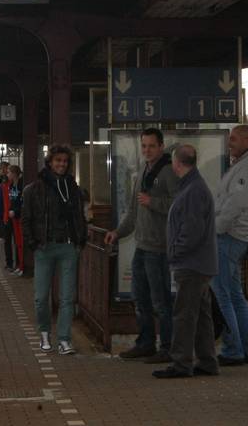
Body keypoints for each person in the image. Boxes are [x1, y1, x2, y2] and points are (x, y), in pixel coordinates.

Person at [103, 128, 180, 363]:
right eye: (144, 146)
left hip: (159, 247)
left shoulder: (167, 172)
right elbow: (134, 211)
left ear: (161, 146)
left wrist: (153, 201)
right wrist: (117, 232)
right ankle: (146, 343)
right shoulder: (143, 172)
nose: (147, 150)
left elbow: (179, 204)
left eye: (151, 146)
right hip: (142, 246)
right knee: (140, 298)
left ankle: (167, 347)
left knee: (161, 301)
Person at [152, 144, 219, 379]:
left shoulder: (192, 190)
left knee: (184, 315)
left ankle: (181, 363)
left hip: (191, 263)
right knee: (201, 316)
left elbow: (192, 230)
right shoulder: (193, 186)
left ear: (176, 163)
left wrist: (175, 252)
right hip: (199, 262)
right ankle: (207, 361)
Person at [22, 145, 87, 355]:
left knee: (67, 297)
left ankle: (64, 339)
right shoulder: (34, 189)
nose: (62, 164)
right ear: (50, 162)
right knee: (41, 297)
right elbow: (27, 219)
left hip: (68, 247)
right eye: (58, 160)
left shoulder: (73, 189)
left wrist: (80, 240)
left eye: (65, 161)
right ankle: (43, 333)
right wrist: (33, 243)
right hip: (44, 247)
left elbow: (79, 217)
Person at [211, 125, 248, 366]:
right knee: (234, 295)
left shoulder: (247, 167)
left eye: (233, 138)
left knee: (223, 294)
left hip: (229, 236)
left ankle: (233, 350)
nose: (229, 142)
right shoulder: (245, 164)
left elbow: (235, 203)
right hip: (234, 236)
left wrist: (215, 227)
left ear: (247, 139)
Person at [2, 165, 26, 275]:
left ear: (14, 173)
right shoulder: (11, 186)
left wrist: (15, 211)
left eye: (9, 173)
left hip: (20, 217)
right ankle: (19, 265)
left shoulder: (21, 185)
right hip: (14, 218)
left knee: (21, 242)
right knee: (17, 242)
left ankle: (23, 266)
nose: (7, 175)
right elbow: (11, 201)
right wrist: (10, 211)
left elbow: (22, 202)